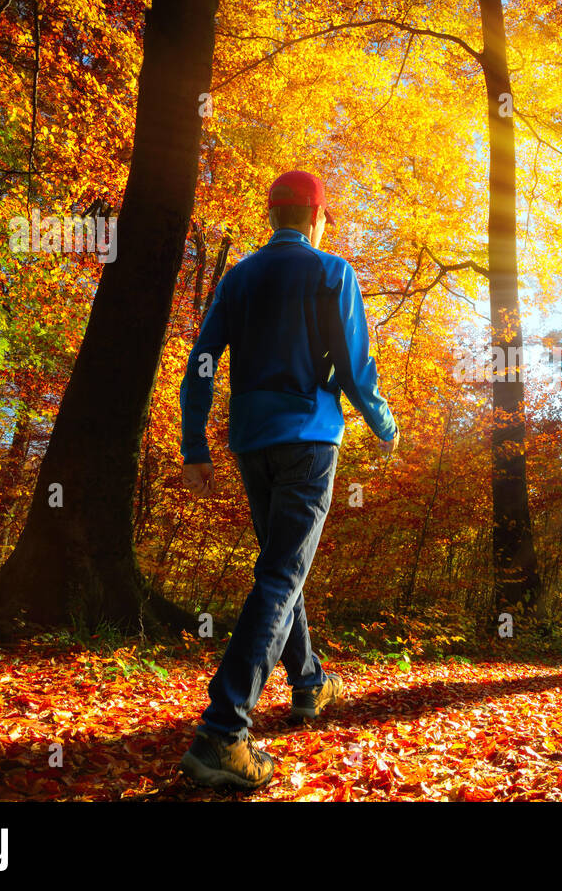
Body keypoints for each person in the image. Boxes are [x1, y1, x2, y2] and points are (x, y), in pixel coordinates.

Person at [177, 170, 399, 790]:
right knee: (281, 573)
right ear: (318, 218)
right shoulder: (333, 273)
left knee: (281, 567)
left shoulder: (238, 277)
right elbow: (355, 366)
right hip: (309, 439)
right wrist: (384, 424)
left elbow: (201, 362)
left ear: (272, 215)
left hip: (251, 442)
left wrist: (195, 443)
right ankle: (223, 732)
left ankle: (308, 684)